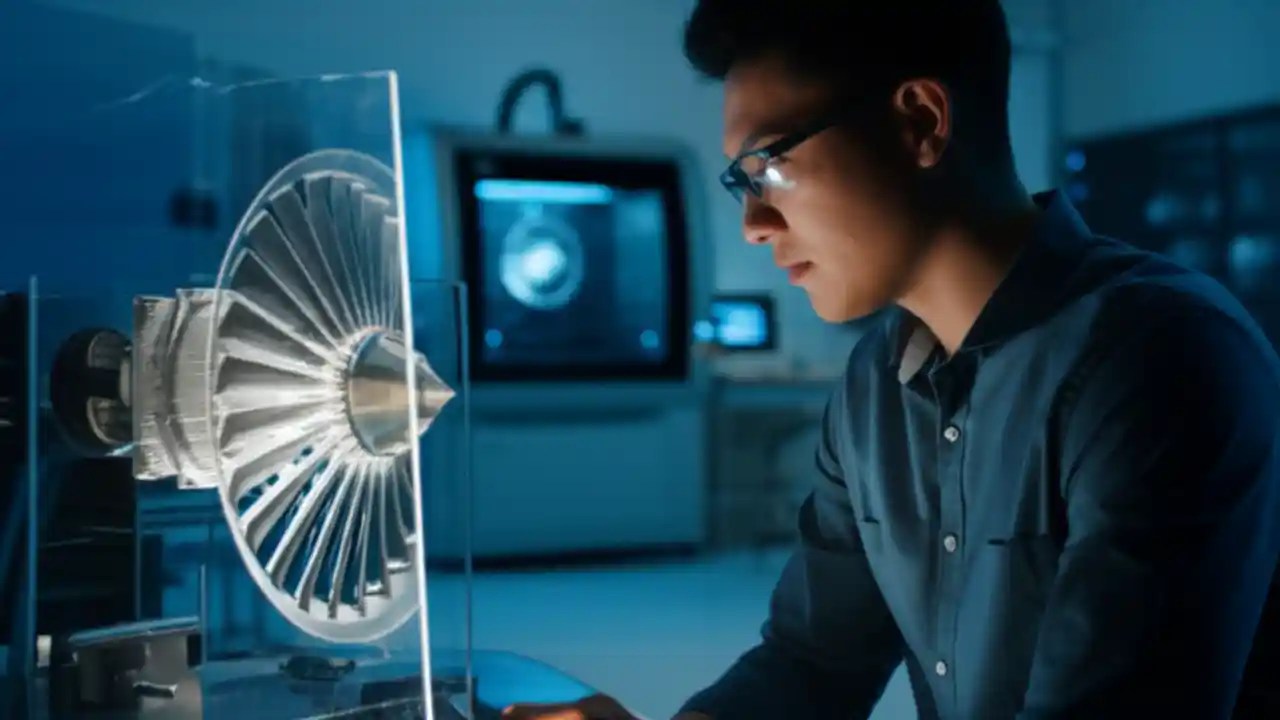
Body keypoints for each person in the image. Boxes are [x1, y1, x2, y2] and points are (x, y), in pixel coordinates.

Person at [503, 1, 1280, 718]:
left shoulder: (1160, 359)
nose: (753, 223)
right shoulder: (876, 385)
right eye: (741, 182)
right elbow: (812, 661)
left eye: (768, 167)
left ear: (920, 121)